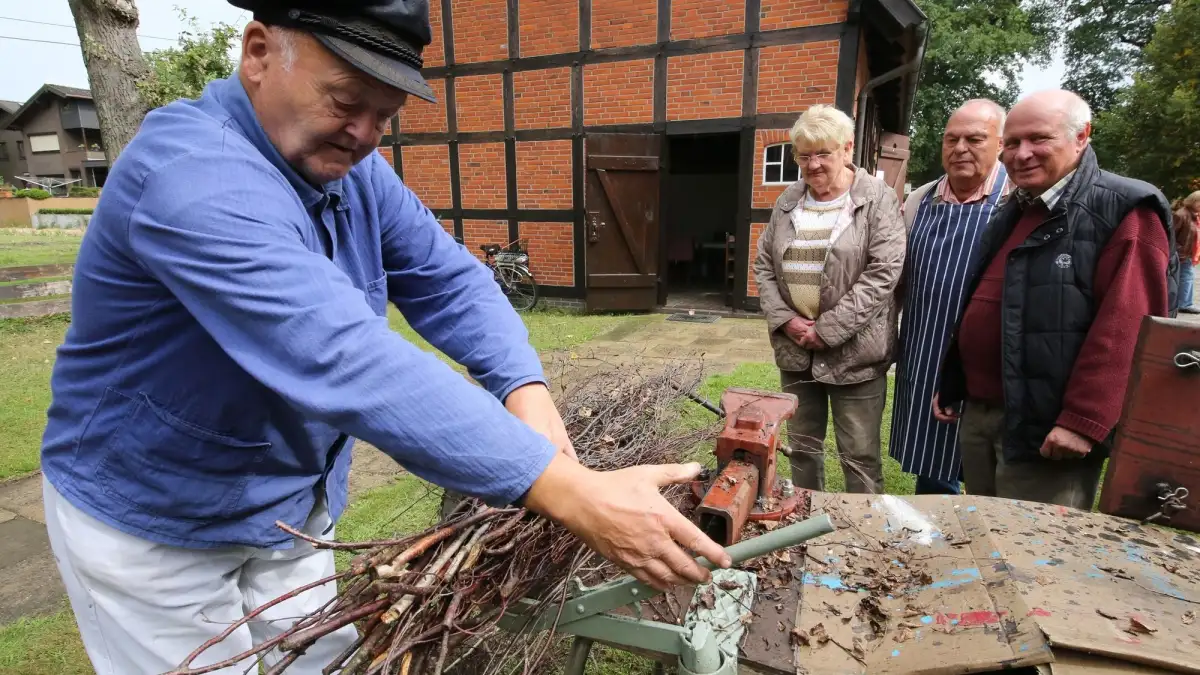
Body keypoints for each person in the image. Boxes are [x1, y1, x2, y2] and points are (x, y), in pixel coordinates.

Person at [38, 4, 730, 674]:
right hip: (155, 523)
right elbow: (347, 360)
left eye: (386, 116)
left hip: (289, 509)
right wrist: (571, 492)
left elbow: (449, 280)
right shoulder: (190, 176)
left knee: (310, 661)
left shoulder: (351, 171)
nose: (365, 135)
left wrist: (526, 388)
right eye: (345, 100)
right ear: (257, 54)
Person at [934, 90, 1179, 510]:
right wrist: (957, 380)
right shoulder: (1017, 208)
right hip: (986, 411)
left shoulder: (1122, 210)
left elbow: (1127, 327)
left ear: (1082, 136)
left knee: (1034, 557)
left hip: (1048, 427)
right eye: (1011, 143)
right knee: (981, 536)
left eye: (1038, 139)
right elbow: (989, 300)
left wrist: (1084, 422)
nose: (1021, 154)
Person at [753, 104, 906, 494]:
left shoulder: (878, 199)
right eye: (804, 156)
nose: (813, 164)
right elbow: (764, 266)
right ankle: (806, 521)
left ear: (847, 148)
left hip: (855, 353)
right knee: (803, 448)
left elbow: (883, 272)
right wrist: (788, 321)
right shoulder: (788, 199)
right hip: (796, 349)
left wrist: (828, 329)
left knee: (859, 455)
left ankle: (865, 531)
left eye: (823, 153)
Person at [890, 100, 1011, 496]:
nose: (960, 148)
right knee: (933, 451)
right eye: (951, 139)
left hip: (987, 356)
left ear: (1001, 144)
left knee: (986, 464)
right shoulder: (919, 201)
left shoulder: (1016, 199)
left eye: (975, 139)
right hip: (925, 344)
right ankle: (935, 531)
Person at [1177, 191, 1200, 313]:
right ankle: (1184, 304)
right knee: (1186, 277)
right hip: (1183, 254)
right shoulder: (1182, 215)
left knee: (1188, 277)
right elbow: (1171, 235)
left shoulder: (1194, 215)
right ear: (1194, 201)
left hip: (1190, 253)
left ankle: (1185, 302)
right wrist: (1179, 250)